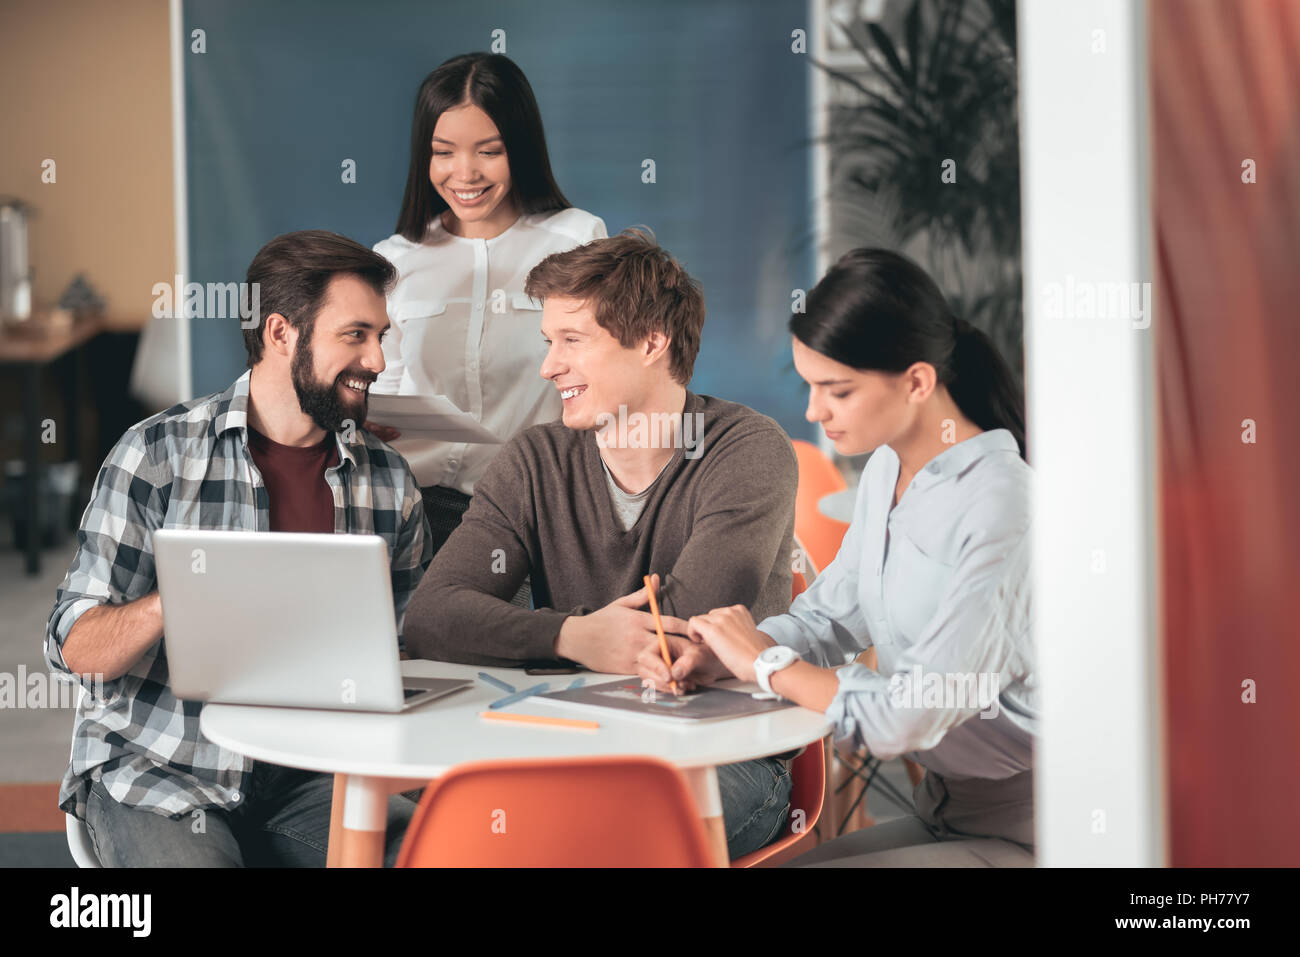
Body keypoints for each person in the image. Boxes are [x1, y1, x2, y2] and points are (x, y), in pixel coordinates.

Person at [403, 230, 800, 860]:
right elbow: (434, 615)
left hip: (721, 754)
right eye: (547, 342)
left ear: (651, 343)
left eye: (572, 341)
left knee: (581, 845)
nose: (548, 366)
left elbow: (688, 627)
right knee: (457, 833)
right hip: (567, 739)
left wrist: (546, 636)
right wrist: (571, 637)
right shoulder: (536, 459)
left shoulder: (745, 448)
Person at [45, 230, 431, 867]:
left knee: (436, 855)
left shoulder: (387, 481)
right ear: (281, 333)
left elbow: (407, 648)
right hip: (161, 770)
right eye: (355, 335)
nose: (378, 361)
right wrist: (184, 597)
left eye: (380, 336)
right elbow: (75, 649)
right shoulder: (158, 454)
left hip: (314, 777)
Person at [642, 248, 1037, 867]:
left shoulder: (1003, 507)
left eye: (838, 390)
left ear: (916, 382)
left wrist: (765, 664)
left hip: (1043, 830)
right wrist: (722, 658)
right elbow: (830, 618)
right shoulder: (888, 469)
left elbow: (910, 716)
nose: (813, 411)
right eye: (810, 385)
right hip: (944, 810)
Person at [368, 52, 607, 576]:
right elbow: (380, 383)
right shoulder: (394, 260)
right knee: (413, 651)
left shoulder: (577, 239)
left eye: (489, 151)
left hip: (534, 510)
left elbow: (603, 381)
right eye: (443, 152)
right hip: (417, 509)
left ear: (519, 149)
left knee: (509, 647)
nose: (464, 173)